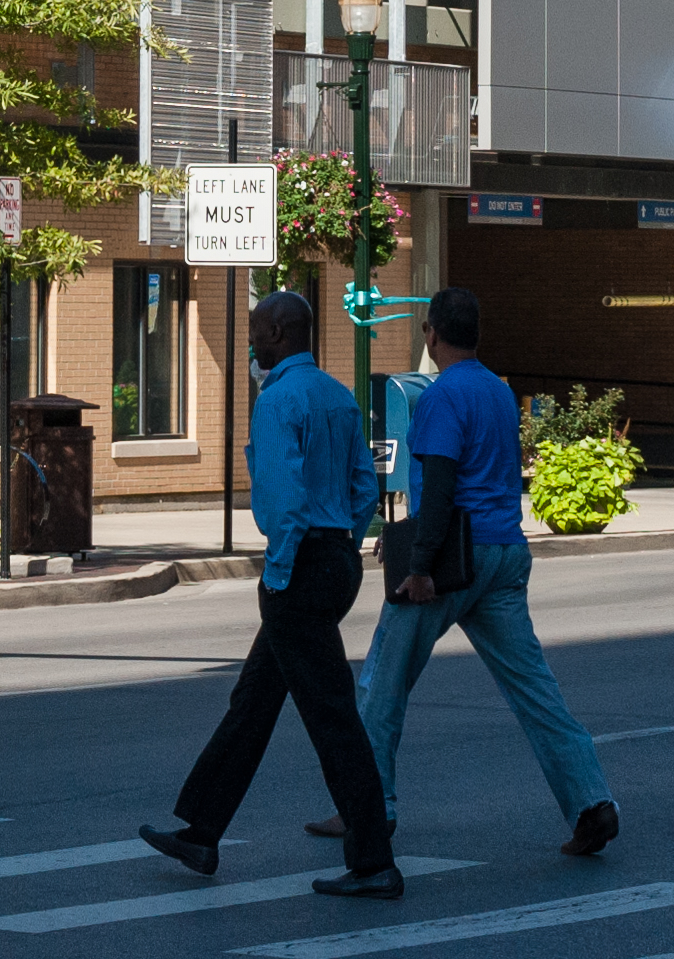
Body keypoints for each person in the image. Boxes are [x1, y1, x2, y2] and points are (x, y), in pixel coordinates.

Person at [307, 285, 618, 857]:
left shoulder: (442, 397)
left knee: (382, 681)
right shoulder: (499, 393)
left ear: (431, 334)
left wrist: (419, 565)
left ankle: (368, 811)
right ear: (477, 334)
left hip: (454, 560)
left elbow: (443, 486)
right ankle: (591, 802)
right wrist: (408, 544)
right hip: (504, 554)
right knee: (535, 691)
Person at [139, 290, 402, 901]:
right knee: (254, 699)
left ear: (282, 333)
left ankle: (373, 861)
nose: (253, 343)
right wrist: (342, 540)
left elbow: (282, 504)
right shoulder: (338, 397)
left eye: (258, 333)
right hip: (335, 557)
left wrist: (281, 574)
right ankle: (200, 831)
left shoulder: (279, 399)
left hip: (300, 567)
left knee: (330, 715)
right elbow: (366, 486)